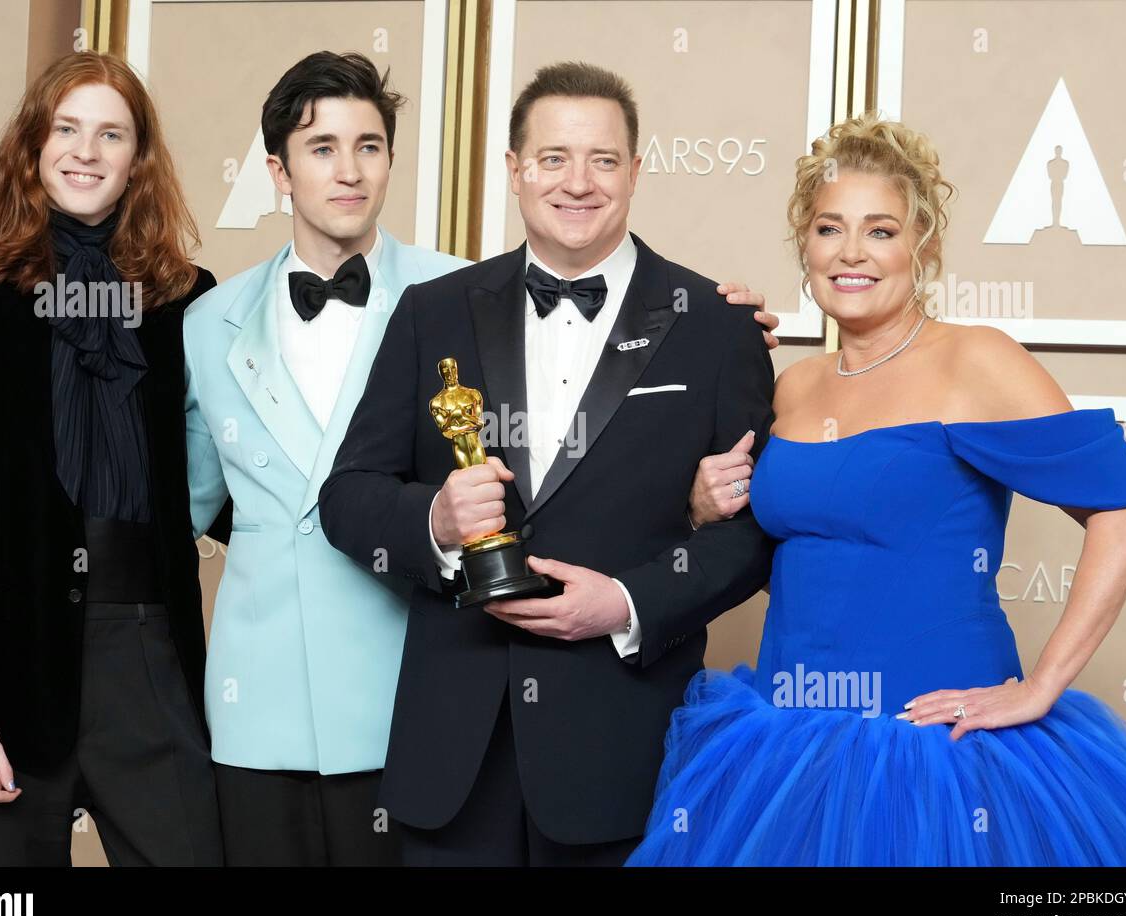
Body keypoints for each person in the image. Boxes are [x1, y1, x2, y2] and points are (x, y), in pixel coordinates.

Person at [184, 52, 779, 866]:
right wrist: (431, 520)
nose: (578, 182)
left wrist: (628, 602)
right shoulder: (435, 310)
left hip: (624, 753)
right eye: (553, 158)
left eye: (603, 159)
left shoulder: (715, 325)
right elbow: (350, 495)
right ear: (513, 170)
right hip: (449, 763)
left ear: (637, 171)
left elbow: (751, 534)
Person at [628, 112, 1126, 866]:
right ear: (805, 246)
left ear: (923, 247)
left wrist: (1040, 686)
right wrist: (701, 505)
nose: (852, 252)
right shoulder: (792, 387)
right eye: (829, 229)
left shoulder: (976, 361)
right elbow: (796, 548)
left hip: (938, 752)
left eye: (881, 231)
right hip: (786, 743)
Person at [0, 51, 223, 865]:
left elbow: (236, 483)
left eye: (111, 134)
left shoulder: (189, 300)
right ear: (33, 145)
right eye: (66, 128)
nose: (86, 150)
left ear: (137, 159)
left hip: (148, 656)